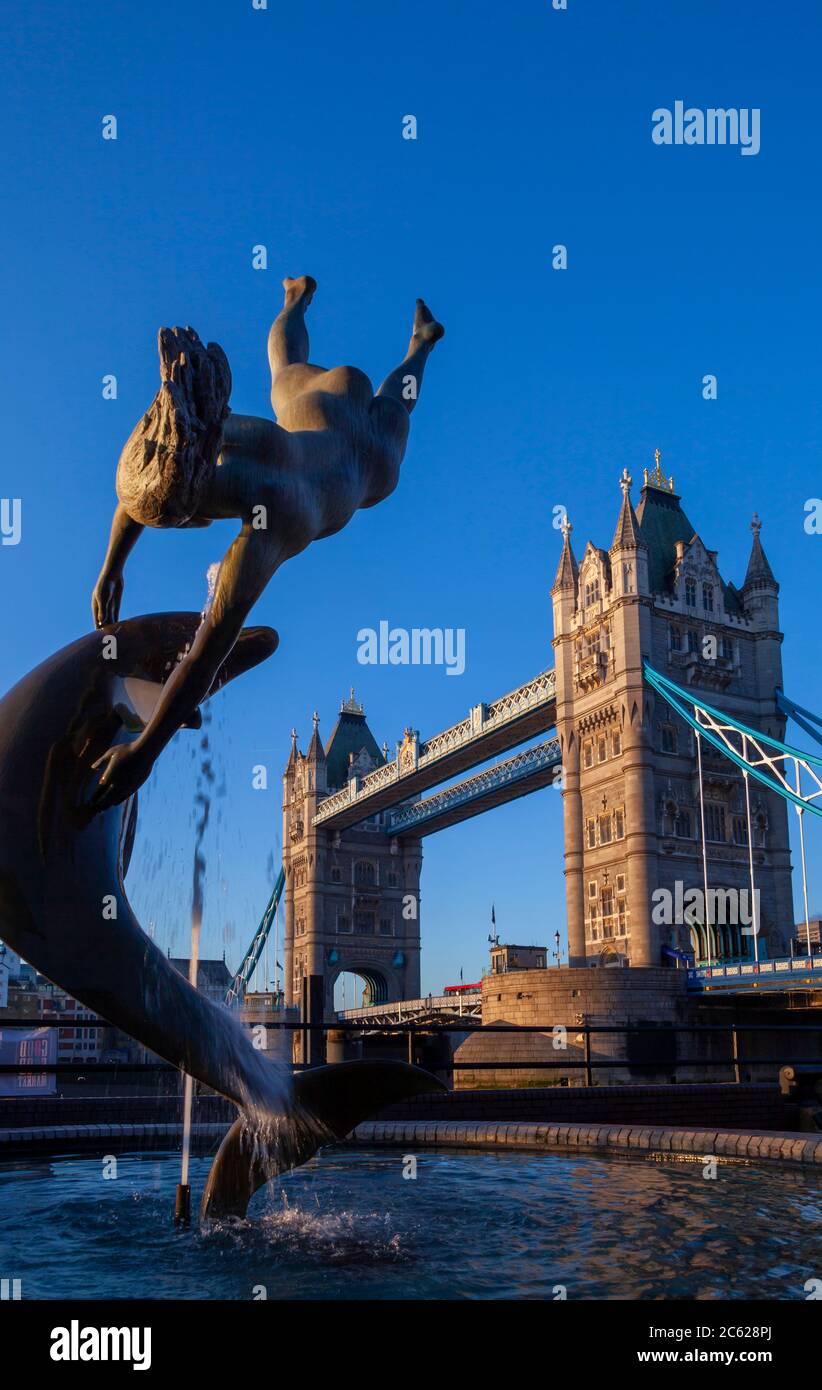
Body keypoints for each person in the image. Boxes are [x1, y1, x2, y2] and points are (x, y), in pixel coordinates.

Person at [90, 276, 443, 809]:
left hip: (370, 463)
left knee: (397, 403)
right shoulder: (224, 437)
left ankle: (419, 345)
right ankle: (297, 300)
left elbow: (206, 656)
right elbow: (156, 468)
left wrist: (144, 751)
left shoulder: (274, 523)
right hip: (322, 405)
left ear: (192, 516)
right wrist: (112, 568)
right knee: (282, 372)